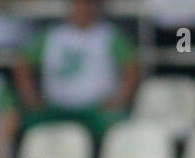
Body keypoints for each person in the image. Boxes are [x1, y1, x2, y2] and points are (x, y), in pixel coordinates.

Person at [13, 0, 139, 141]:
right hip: (56, 107)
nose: (81, 10)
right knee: (29, 121)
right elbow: (23, 64)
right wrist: (30, 97)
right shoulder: (51, 36)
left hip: (95, 110)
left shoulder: (109, 36)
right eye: (77, 4)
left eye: (86, 4)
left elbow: (131, 68)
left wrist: (118, 100)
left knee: (115, 124)